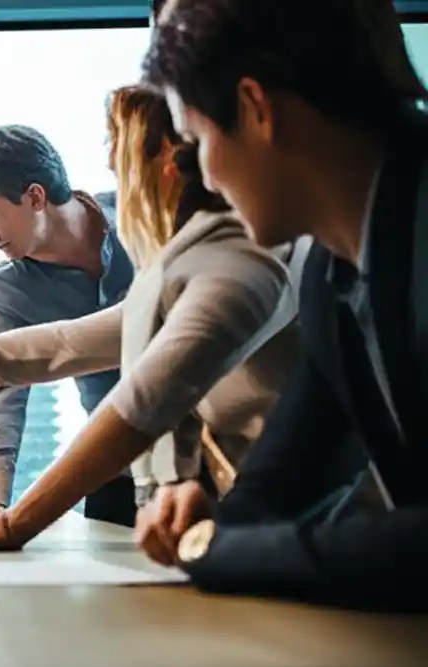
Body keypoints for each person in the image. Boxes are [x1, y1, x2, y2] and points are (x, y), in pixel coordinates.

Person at [0, 86, 298, 553]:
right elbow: (38, 358)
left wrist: (17, 522)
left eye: (120, 164)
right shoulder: (36, 284)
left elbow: (131, 392)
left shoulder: (222, 255)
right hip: (135, 474)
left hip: (255, 476)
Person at [141, 0, 428, 608]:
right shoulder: (329, 272)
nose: (208, 180)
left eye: (197, 141)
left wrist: (219, 550)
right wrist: (216, 519)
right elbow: (283, 475)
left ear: (255, 108)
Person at [0, 126, 136, 524]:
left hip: (213, 457)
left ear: (35, 196)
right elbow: (2, 394)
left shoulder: (141, 214)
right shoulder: (10, 287)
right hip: (117, 477)